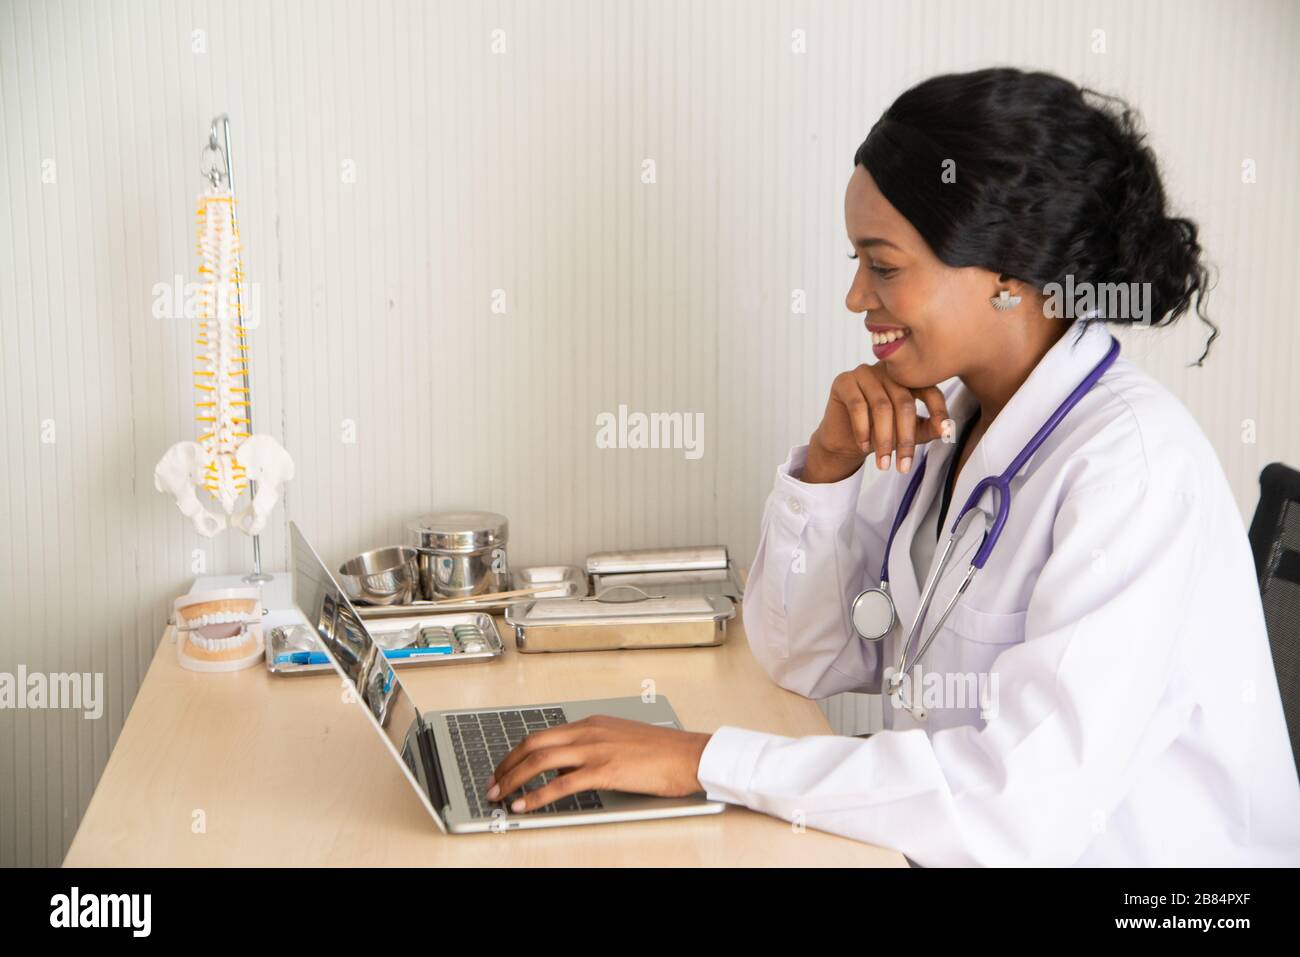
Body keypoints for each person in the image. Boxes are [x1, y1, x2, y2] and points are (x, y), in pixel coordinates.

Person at [486, 68, 1300, 865]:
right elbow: (803, 655)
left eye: (882, 265)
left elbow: (1013, 809)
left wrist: (701, 760)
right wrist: (830, 468)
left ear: (1010, 277)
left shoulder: (1133, 469)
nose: (854, 298)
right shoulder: (953, 424)